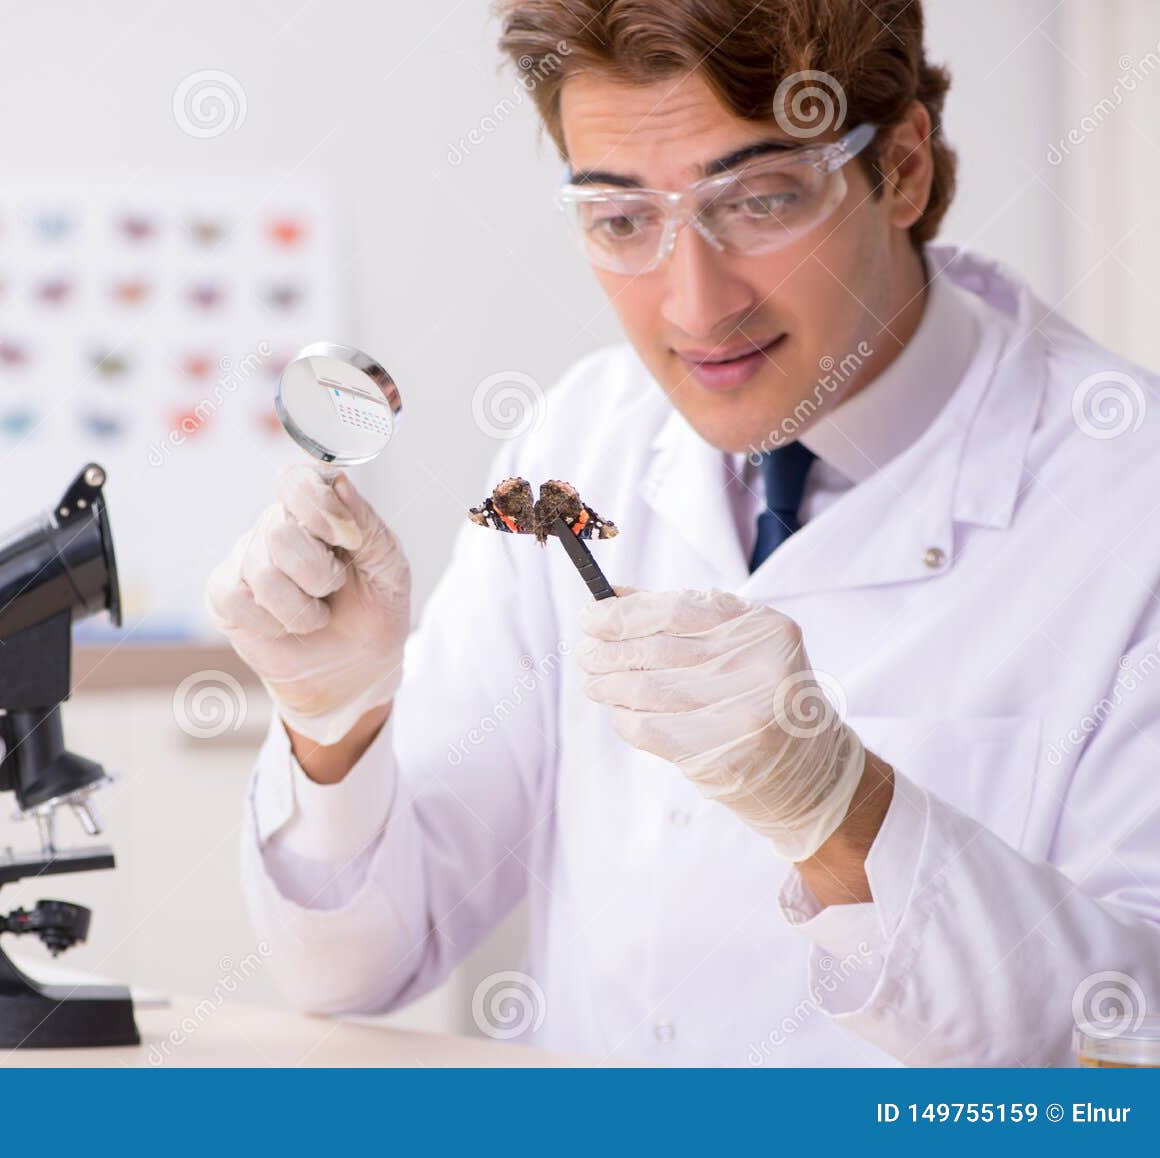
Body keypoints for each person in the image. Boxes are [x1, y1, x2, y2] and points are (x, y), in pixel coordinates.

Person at [205, 0, 1160, 1064]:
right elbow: (350, 969)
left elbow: (1133, 1043)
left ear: (899, 169)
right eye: (622, 219)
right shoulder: (579, 437)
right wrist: (335, 720)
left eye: (759, 200)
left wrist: (844, 817)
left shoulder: (1130, 499)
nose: (696, 307)